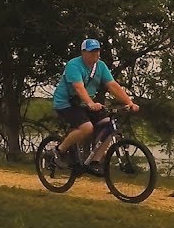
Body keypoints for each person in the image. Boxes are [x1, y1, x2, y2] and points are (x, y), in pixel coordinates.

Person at [50, 38, 139, 168]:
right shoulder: (73, 65)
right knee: (87, 128)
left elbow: (112, 85)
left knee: (109, 125)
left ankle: (95, 162)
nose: (95, 54)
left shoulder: (101, 66)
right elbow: (79, 87)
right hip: (66, 103)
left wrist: (129, 102)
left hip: (84, 103)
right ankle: (59, 150)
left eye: (97, 51)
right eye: (92, 51)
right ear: (83, 52)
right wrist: (91, 103)